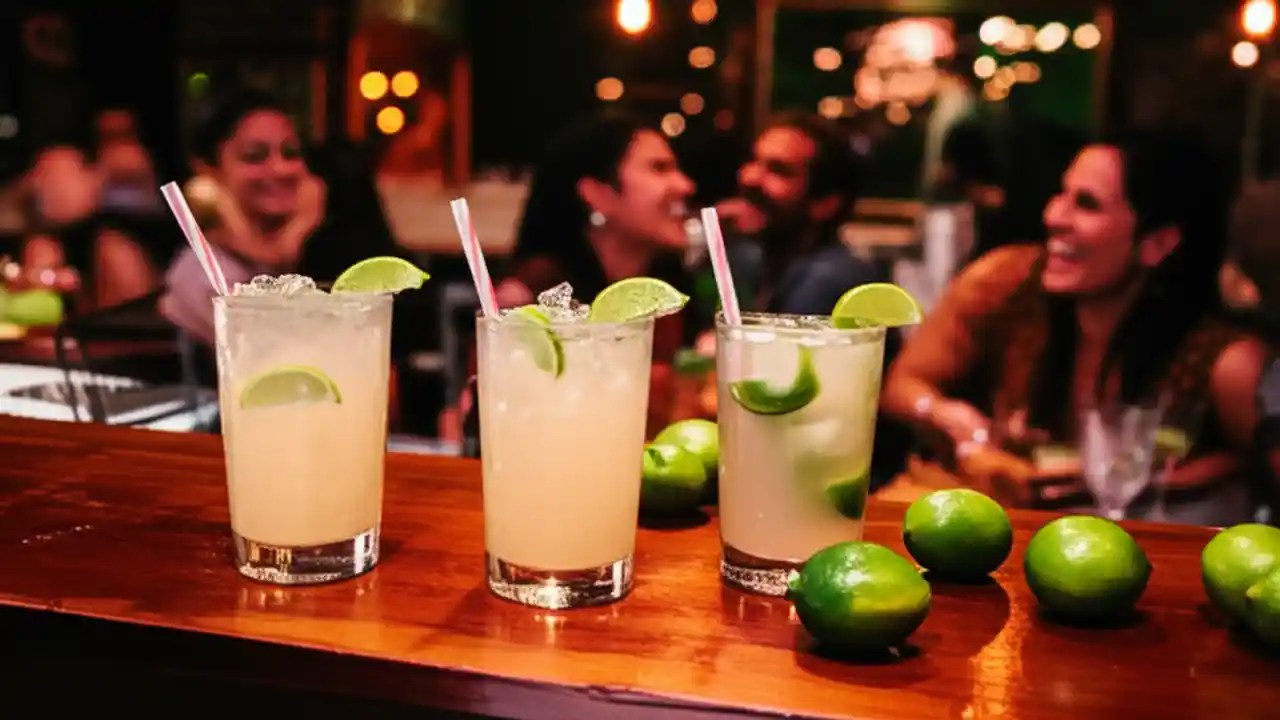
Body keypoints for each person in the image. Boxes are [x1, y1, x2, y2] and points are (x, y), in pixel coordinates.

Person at [882, 130, 1269, 525]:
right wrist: (946, 414)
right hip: (994, 533)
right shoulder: (1009, 280)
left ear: (1158, 242)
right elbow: (902, 385)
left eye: (1087, 204)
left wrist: (1152, 478)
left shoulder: (1223, 360)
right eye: (1060, 194)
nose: (1053, 217)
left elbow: (1259, 466)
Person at [445, 111, 697, 446]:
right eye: (659, 168)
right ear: (598, 194)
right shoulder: (529, 298)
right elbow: (472, 420)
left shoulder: (671, 290)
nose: (685, 185)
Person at [161, 88, 398, 345]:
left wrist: (296, 236)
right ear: (208, 169)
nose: (281, 169)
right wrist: (295, 235)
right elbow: (276, 349)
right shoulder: (203, 269)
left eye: (291, 154)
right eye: (254, 157)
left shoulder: (324, 245)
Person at [716, 112, 881, 316]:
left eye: (778, 170)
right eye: (753, 160)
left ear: (826, 204)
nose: (749, 177)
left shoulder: (828, 278)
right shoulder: (763, 260)